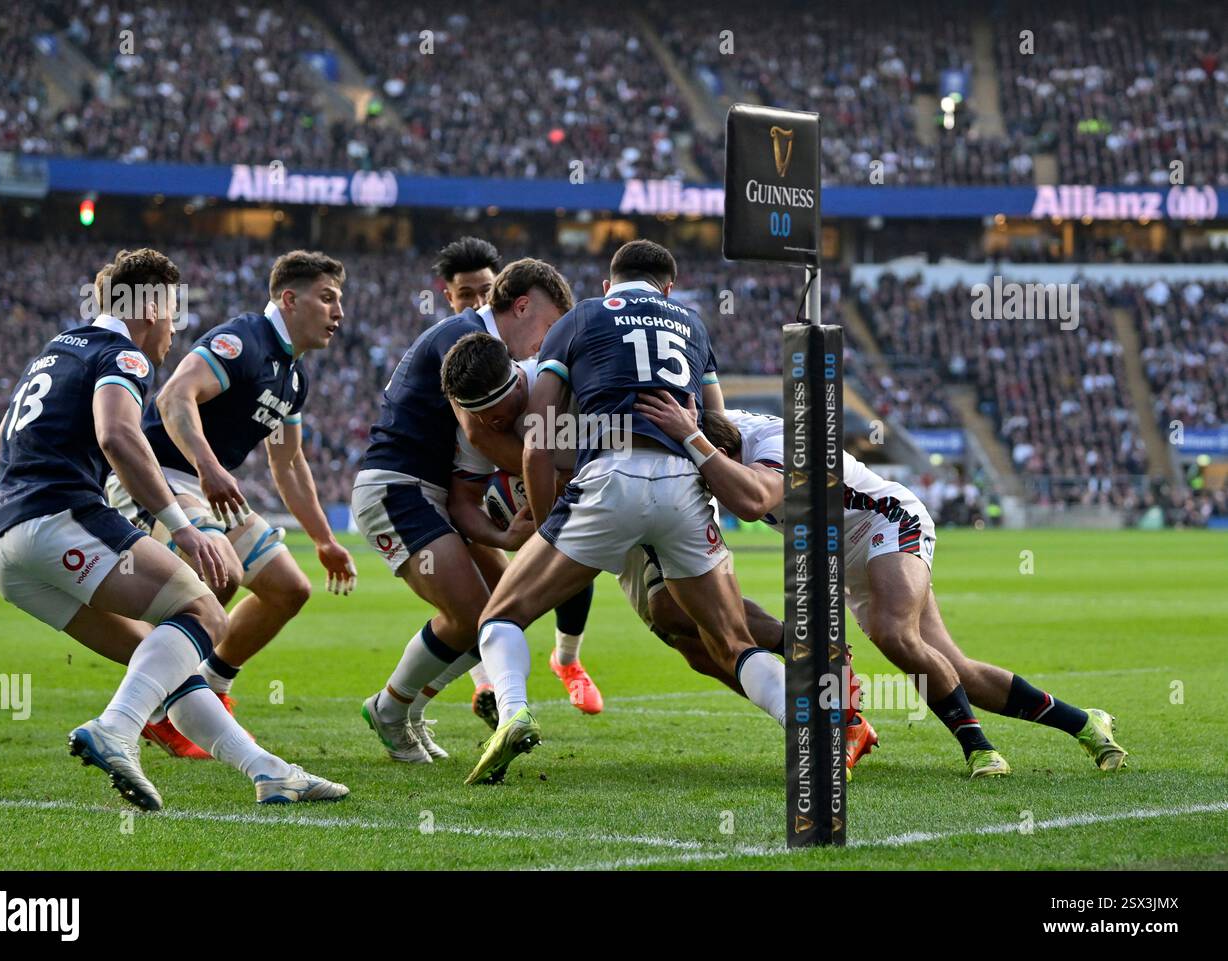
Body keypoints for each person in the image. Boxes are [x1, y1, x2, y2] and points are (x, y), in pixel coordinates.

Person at [0, 248, 347, 808]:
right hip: (65, 515)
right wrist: (183, 525)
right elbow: (118, 437)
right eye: (174, 316)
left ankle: (267, 771)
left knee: (157, 659)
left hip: (5, 550)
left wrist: (24, 525)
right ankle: (117, 730)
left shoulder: (51, 354)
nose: (174, 333)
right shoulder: (123, 356)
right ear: (150, 309)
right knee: (204, 613)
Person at [635, 397, 1129, 778]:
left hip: (885, 518)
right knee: (954, 669)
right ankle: (1086, 723)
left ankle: (980, 750)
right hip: (844, 555)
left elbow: (750, 500)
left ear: (721, 449)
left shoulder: (769, 442)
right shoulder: (719, 434)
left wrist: (691, 440)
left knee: (896, 636)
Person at [465, 240, 785, 785]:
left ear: (609, 284)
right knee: (733, 641)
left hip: (607, 478)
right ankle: (813, 728)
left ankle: (514, 712)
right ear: (668, 288)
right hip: (684, 481)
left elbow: (538, 437)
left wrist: (548, 526)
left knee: (500, 615)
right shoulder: (693, 324)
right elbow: (719, 430)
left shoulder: (583, 317)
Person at [106, 251, 356, 758]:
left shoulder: (294, 378)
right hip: (156, 476)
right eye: (327, 298)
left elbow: (288, 464)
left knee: (289, 588)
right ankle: (158, 709)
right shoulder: (243, 339)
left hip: (204, 486)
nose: (339, 313)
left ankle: (212, 687)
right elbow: (174, 398)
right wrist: (209, 466)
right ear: (289, 298)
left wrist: (324, 539)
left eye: (340, 301)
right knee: (216, 574)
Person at [354, 259, 573, 763]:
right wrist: (548, 479)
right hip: (400, 486)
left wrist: (505, 532)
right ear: (523, 306)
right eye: (548, 324)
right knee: (478, 615)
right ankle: (389, 709)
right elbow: (477, 432)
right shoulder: (471, 343)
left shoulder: (479, 343)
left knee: (503, 613)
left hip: (428, 490)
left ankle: (406, 706)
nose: (548, 341)